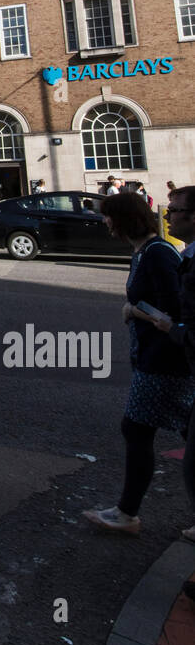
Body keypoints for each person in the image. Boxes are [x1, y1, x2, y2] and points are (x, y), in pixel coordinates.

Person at [82, 192, 193, 535]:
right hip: (156, 355)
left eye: (108, 215)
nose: (105, 222)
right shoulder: (143, 252)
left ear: (124, 218)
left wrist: (133, 311)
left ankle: (127, 514)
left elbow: (173, 310)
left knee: (137, 429)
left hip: (163, 359)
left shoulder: (157, 253)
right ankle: (126, 512)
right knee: (183, 428)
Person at [138, 186, 195, 554]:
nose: (167, 214)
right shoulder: (183, 254)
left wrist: (172, 329)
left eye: (174, 210)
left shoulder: (168, 255)